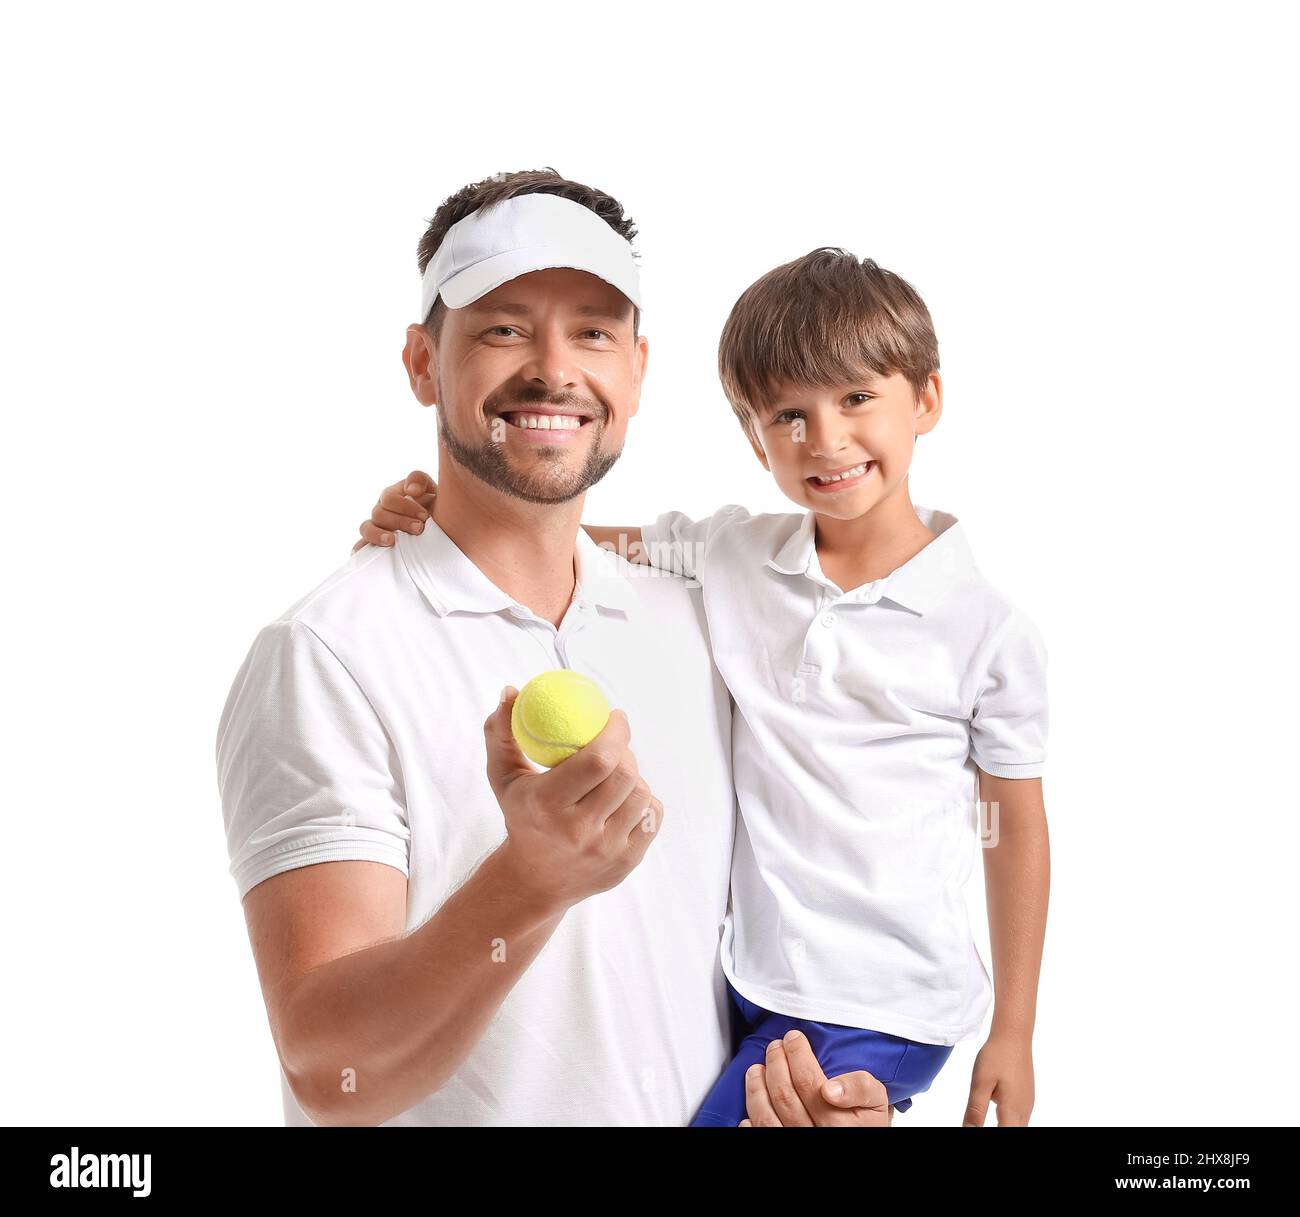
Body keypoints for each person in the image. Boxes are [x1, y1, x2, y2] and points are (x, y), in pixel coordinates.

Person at [217, 169, 890, 1127]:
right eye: (502, 327)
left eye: (593, 330)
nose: (553, 368)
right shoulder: (327, 654)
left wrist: (816, 1098)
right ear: (420, 362)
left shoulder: (700, 624)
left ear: (637, 371)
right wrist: (528, 881)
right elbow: (334, 1076)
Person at [359, 247, 1051, 1127]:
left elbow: (1015, 826)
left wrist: (1016, 1029)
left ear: (927, 400)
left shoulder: (987, 631)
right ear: (754, 441)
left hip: (878, 1000)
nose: (825, 439)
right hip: (750, 974)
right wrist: (431, 517)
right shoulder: (736, 554)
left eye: (856, 400)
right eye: (788, 416)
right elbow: (581, 538)